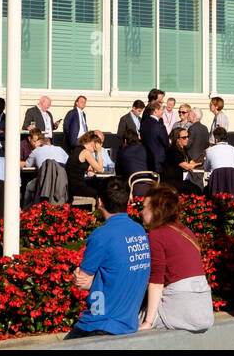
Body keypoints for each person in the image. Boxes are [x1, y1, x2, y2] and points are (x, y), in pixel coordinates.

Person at [67, 179, 150, 338]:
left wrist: (85, 280)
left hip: (99, 323)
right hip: (128, 323)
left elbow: (82, 280)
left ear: (99, 202)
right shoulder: (139, 231)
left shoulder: (101, 235)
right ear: (128, 200)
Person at [139, 184, 213, 332]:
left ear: (155, 210)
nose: (141, 212)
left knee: (132, 322)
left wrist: (148, 321)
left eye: (145, 207)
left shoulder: (157, 234)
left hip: (182, 306)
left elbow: (156, 283)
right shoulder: (186, 231)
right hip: (204, 308)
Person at [67, 131, 107, 199]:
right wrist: (99, 152)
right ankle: (101, 209)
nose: (94, 151)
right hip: (78, 188)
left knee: (97, 184)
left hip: (72, 185)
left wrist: (90, 170)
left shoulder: (78, 149)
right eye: (95, 149)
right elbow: (100, 170)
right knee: (103, 193)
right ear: (93, 143)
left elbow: (85, 166)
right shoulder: (86, 152)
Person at [161, 127, 200, 193]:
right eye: (184, 137)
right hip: (170, 181)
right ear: (177, 139)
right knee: (193, 190)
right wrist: (201, 164)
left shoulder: (183, 149)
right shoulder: (173, 150)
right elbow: (186, 166)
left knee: (197, 189)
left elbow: (191, 162)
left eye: (188, 136)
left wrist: (198, 163)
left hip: (178, 180)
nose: (187, 139)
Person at [141, 105, 169, 173]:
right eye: (161, 110)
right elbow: (166, 143)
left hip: (145, 158)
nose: (163, 112)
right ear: (155, 111)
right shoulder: (160, 126)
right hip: (158, 160)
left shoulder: (143, 124)